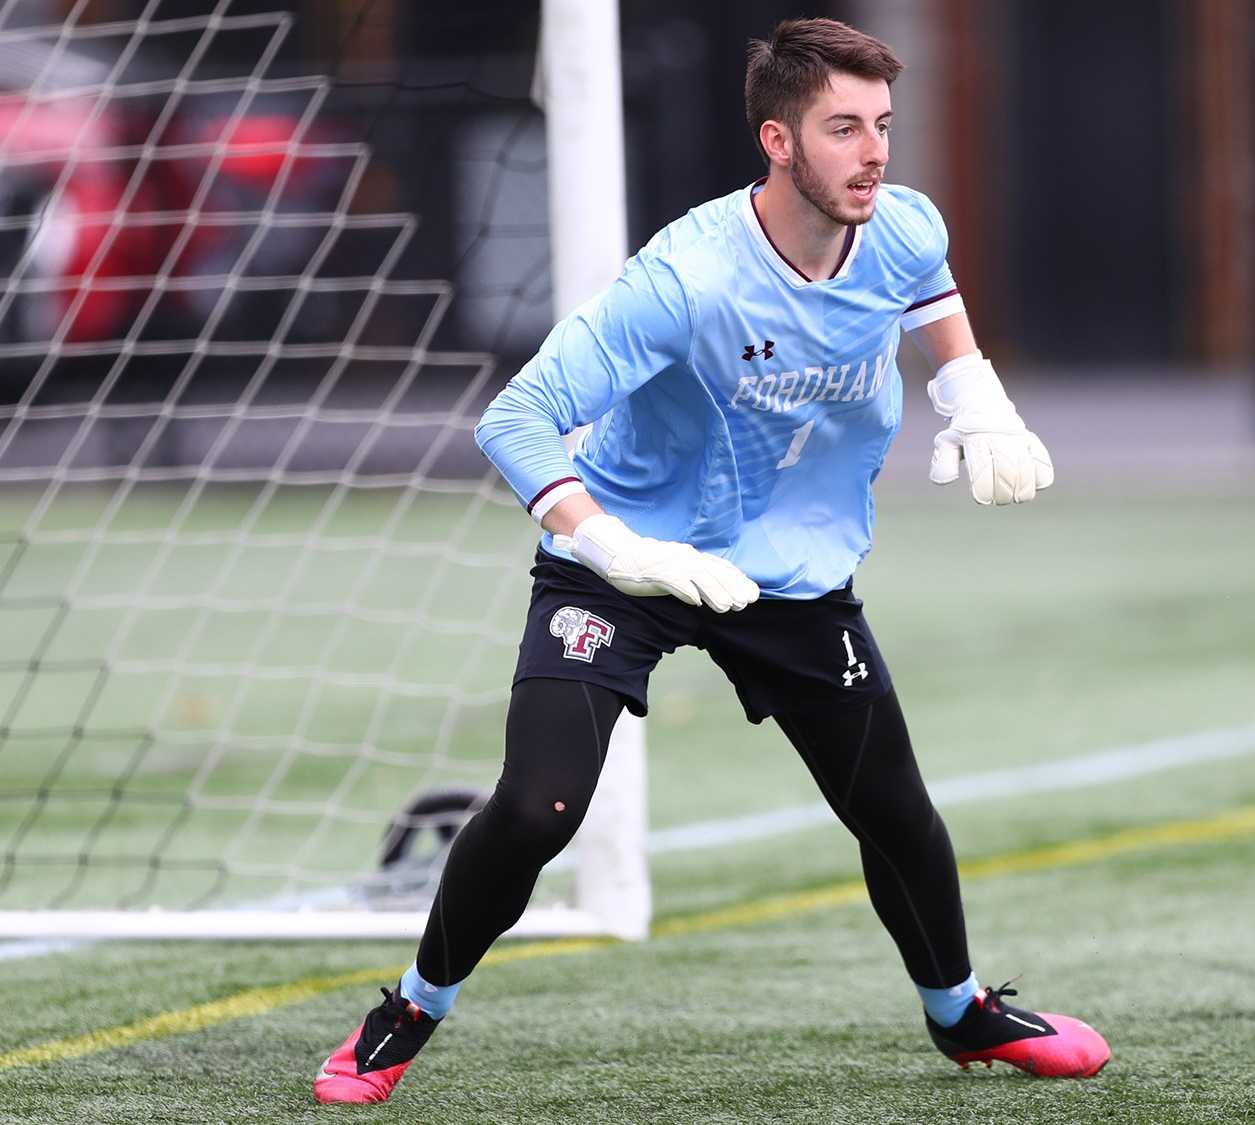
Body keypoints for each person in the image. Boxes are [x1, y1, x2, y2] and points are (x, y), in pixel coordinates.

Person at [313, 17, 1104, 1103]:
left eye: (882, 125)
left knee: (892, 808)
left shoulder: (904, 227)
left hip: (787, 573)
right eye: (842, 129)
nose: (873, 153)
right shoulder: (684, 279)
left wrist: (976, 398)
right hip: (623, 560)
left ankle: (961, 1013)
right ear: (777, 141)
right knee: (540, 806)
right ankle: (408, 1010)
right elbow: (514, 419)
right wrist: (610, 543)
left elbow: (930, 295)